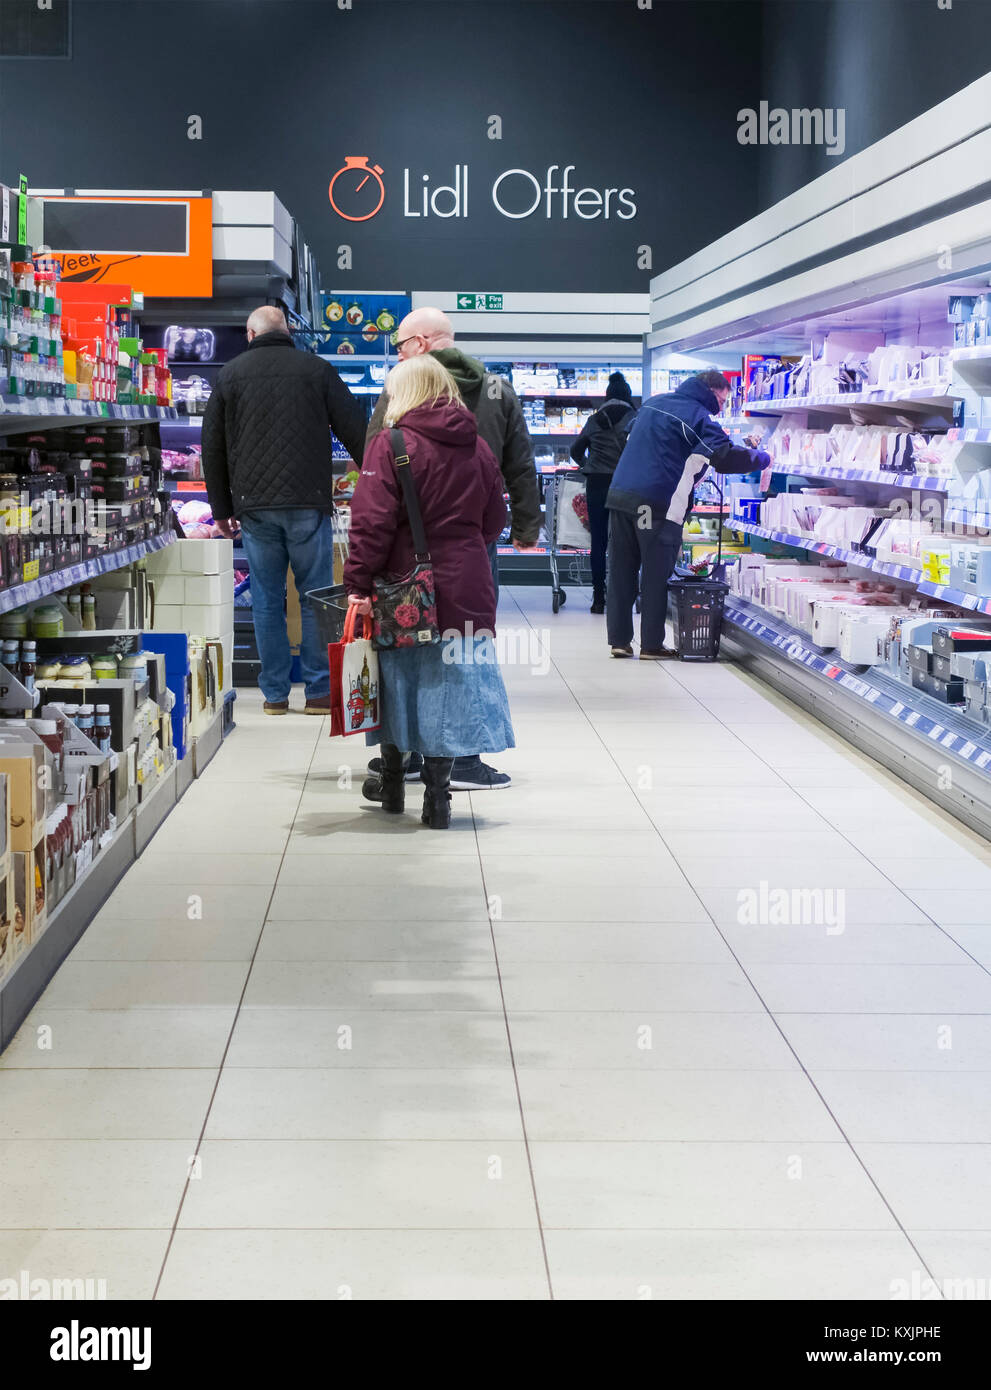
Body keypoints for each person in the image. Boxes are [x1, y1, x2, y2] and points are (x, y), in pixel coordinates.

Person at [363, 306, 541, 792]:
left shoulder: (401, 387)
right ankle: (464, 758)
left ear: (421, 343)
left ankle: (414, 754)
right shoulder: (497, 389)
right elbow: (520, 465)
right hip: (470, 545)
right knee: (466, 648)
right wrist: (525, 527)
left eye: (400, 345)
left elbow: (374, 459)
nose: (398, 354)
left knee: (409, 648)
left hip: (407, 552)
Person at [343, 355, 514, 830]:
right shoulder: (478, 447)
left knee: (399, 684)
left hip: (404, 591)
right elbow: (494, 523)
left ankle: (394, 786)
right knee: (450, 691)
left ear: (406, 392)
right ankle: (438, 802)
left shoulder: (390, 444)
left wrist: (357, 582)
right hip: (468, 585)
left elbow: (370, 525)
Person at [201, 305, 366, 714]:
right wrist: (378, 483)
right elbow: (356, 430)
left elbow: (213, 447)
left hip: (254, 507)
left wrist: (221, 508)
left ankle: (274, 695)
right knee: (315, 597)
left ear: (250, 334)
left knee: (267, 599)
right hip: (308, 502)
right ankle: (318, 692)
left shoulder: (230, 375)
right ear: (288, 332)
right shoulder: (317, 369)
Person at [605, 369, 770, 659]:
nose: (722, 406)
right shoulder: (697, 417)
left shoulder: (653, 403)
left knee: (622, 572)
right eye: (722, 399)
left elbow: (625, 434)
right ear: (712, 393)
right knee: (655, 576)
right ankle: (651, 645)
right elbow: (725, 457)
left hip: (620, 497)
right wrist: (762, 459)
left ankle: (619, 641)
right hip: (656, 504)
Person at [569, 371, 637, 614]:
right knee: (626, 542)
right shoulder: (634, 418)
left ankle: (598, 598)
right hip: (625, 485)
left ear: (607, 395)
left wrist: (588, 464)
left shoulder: (594, 420)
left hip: (597, 484)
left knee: (598, 542)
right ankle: (626, 597)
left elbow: (575, 450)